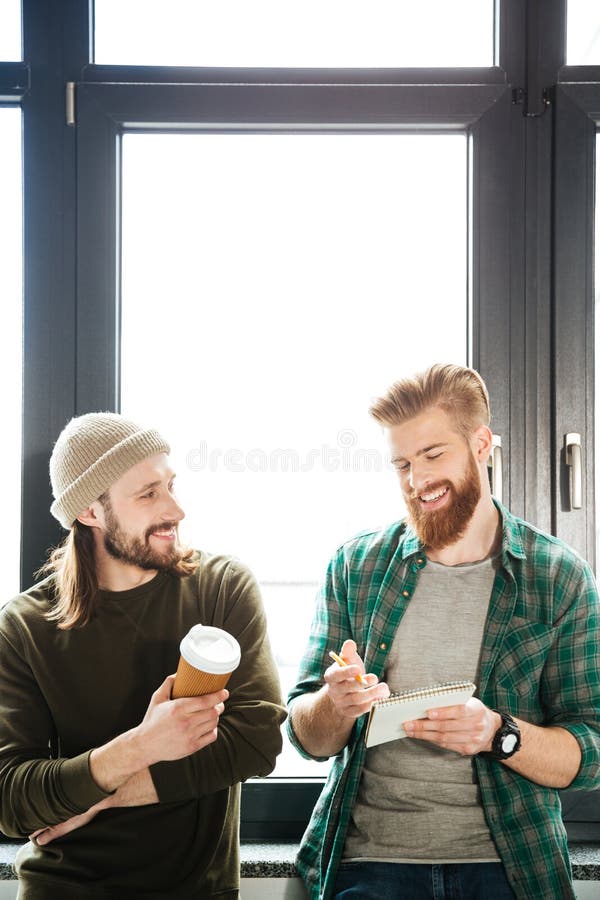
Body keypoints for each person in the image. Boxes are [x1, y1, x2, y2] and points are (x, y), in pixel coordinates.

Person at [287, 363, 600, 900]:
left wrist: (498, 734)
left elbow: (592, 752)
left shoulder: (557, 576)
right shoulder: (354, 567)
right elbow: (305, 738)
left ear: (481, 444)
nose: (416, 481)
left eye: (433, 456)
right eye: (402, 463)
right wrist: (334, 705)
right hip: (369, 864)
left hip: (509, 867)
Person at [0, 412, 286, 899]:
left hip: (197, 890)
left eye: (171, 485)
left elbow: (256, 741)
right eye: (148, 494)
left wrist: (95, 801)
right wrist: (140, 746)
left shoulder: (221, 589)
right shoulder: (24, 626)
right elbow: (10, 800)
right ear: (90, 512)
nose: (175, 509)